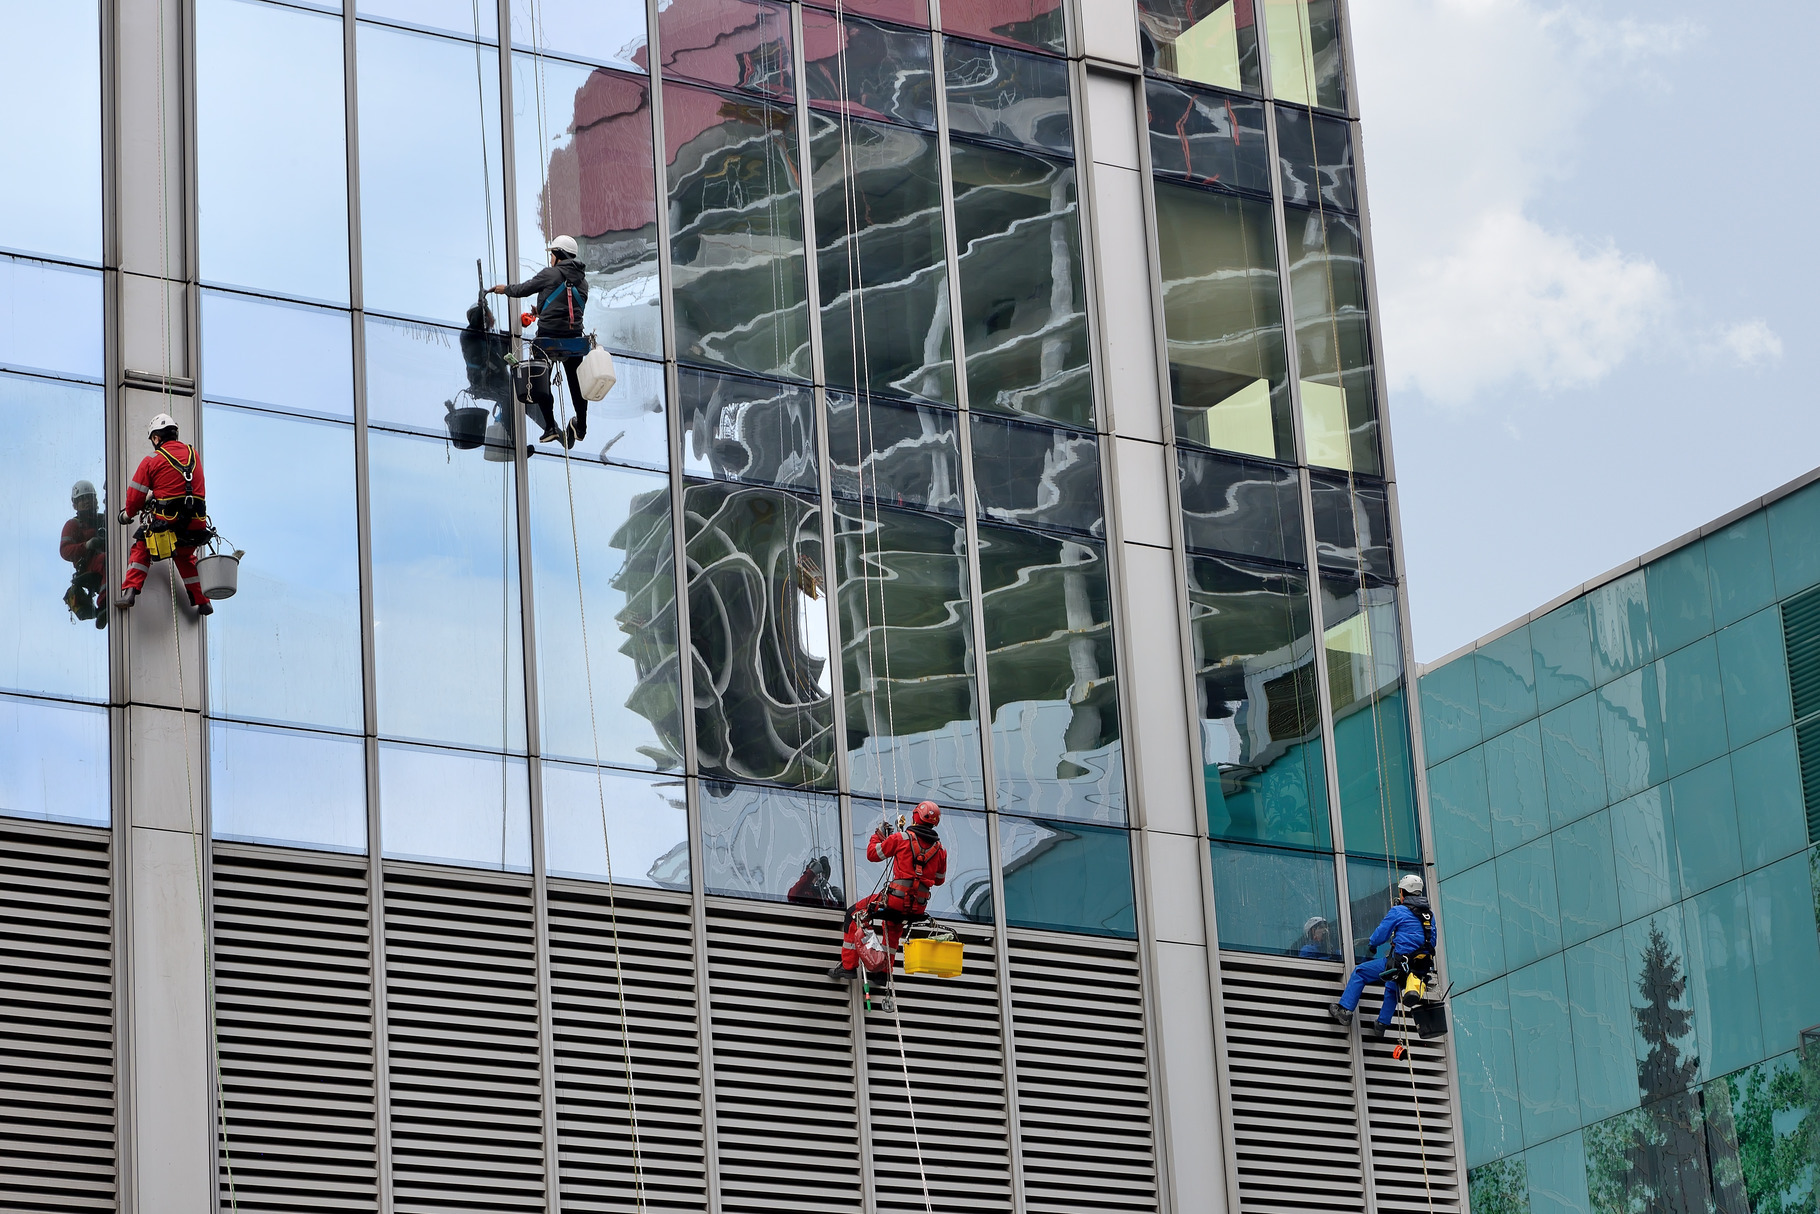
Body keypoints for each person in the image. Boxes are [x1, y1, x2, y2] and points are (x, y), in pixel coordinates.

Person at [829, 801, 948, 983]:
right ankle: (884, 973)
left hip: (896, 898)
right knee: (893, 927)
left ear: (916, 816)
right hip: (918, 906)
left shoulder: (901, 838)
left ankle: (848, 966)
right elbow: (939, 880)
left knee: (854, 914)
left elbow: (872, 854)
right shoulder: (940, 850)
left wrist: (879, 835)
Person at [491, 235, 590, 448]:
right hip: (574, 339)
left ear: (559, 254)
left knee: (540, 379)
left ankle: (550, 427)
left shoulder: (549, 274)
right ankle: (581, 426)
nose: (551, 258)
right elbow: (570, 307)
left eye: (552, 254)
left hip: (548, 338)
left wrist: (504, 289)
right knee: (576, 383)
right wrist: (544, 311)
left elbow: (523, 289)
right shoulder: (583, 282)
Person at [116, 414, 214, 616]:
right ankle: (204, 602)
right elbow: (187, 486)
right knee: (185, 556)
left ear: (156, 438)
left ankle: (130, 593)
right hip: (195, 523)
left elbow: (135, 496)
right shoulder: (193, 454)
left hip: (168, 522)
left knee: (142, 547)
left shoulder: (152, 460)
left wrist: (127, 515)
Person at [1331, 873, 1435, 1039]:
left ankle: (1345, 1011)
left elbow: (1379, 936)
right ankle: (1381, 1025)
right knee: (1392, 986)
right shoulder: (1429, 916)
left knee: (1360, 972)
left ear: (1403, 892)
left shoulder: (1398, 911)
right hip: (1419, 968)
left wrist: (1372, 945)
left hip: (1401, 963)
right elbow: (1431, 941)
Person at [60, 480, 108, 628]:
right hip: (88, 565)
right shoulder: (73, 525)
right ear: (75, 505)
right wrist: (86, 545)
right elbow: (65, 551)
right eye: (82, 499)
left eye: (89, 497)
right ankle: (104, 605)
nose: (86, 501)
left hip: (104, 561)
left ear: (96, 500)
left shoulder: (104, 520)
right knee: (106, 561)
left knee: (108, 560)